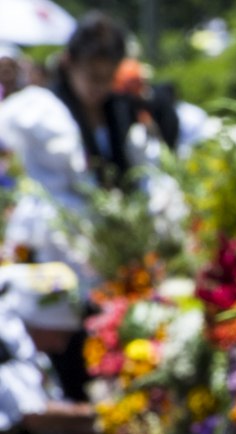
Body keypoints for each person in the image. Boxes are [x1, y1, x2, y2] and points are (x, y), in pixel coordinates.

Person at [0, 12, 179, 267]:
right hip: (62, 249)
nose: (100, 86)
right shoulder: (46, 112)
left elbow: (143, 170)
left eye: (108, 77)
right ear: (69, 63)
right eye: (93, 75)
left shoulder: (120, 109)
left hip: (121, 245)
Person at [0, 263, 98, 434]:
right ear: (41, 324)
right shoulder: (6, 340)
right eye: (60, 335)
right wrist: (105, 417)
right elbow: (34, 414)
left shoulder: (24, 342)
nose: (61, 345)